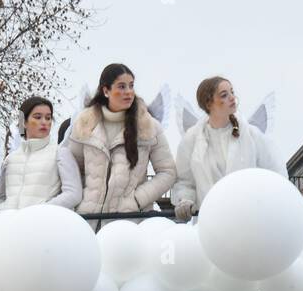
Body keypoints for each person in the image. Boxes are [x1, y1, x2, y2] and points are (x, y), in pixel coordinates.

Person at [66, 63, 177, 228]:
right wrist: (85, 199)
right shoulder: (84, 124)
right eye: (122, 86)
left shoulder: (149, 126)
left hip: (129, 222)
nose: (129, 92)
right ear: (106, 91)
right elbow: (72, 169)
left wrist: (137, 200)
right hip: (87, 222)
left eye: (131, 86)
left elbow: (168, 172)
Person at [171, 76, 285, 221]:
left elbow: (275, 173)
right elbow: (184, 181)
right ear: (208, 103)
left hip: (249, 221)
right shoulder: (191, 140)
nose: (232, 98)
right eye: (224, 95)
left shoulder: (251, 135)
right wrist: (185, 200)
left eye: (232, 92)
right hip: (210, 224)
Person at [0, 96, 83, 210]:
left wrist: (40, 212)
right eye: (38, 117)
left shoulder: (60, 152)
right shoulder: (10, 158)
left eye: (48, 118)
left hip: (42, 225)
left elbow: (74, 194)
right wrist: (4, 210)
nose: (44, 122)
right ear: (24, 122)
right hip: (9, 224)